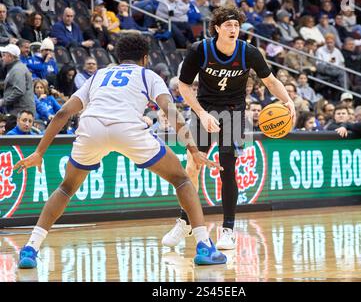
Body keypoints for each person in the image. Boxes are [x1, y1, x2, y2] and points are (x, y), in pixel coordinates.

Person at [15, 33, 227, 269]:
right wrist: (194, 150)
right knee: (181, 179)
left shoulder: (99, 74)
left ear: (118, 56)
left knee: (66, 188)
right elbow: (170, 111)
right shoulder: (148, 75)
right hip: (127, 129)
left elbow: (63, 113)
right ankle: (204, 245)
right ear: (145, 58)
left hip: (91, 126)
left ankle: (31, 248)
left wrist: (39, 152)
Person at [162, 5, 295, 250]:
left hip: (234, 113)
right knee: (192, 165)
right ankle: (185, 221)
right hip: (203, 110)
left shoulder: (249, 52)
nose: (234, 30)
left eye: (236, 26)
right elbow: (183, 86)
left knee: (227, 169)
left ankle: (228, 230)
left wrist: (288, 101)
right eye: (228, 26)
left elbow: (270, 81)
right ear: (217, 28)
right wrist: (201, 113)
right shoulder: (200, 50)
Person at [0, 44, 35, 117]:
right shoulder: (15, 68)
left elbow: (19, 91)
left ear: (10, 56)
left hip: (21, 111)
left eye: (4, 55)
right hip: (19, 110)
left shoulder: (17, 70)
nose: (2, 58)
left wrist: (3, 101)